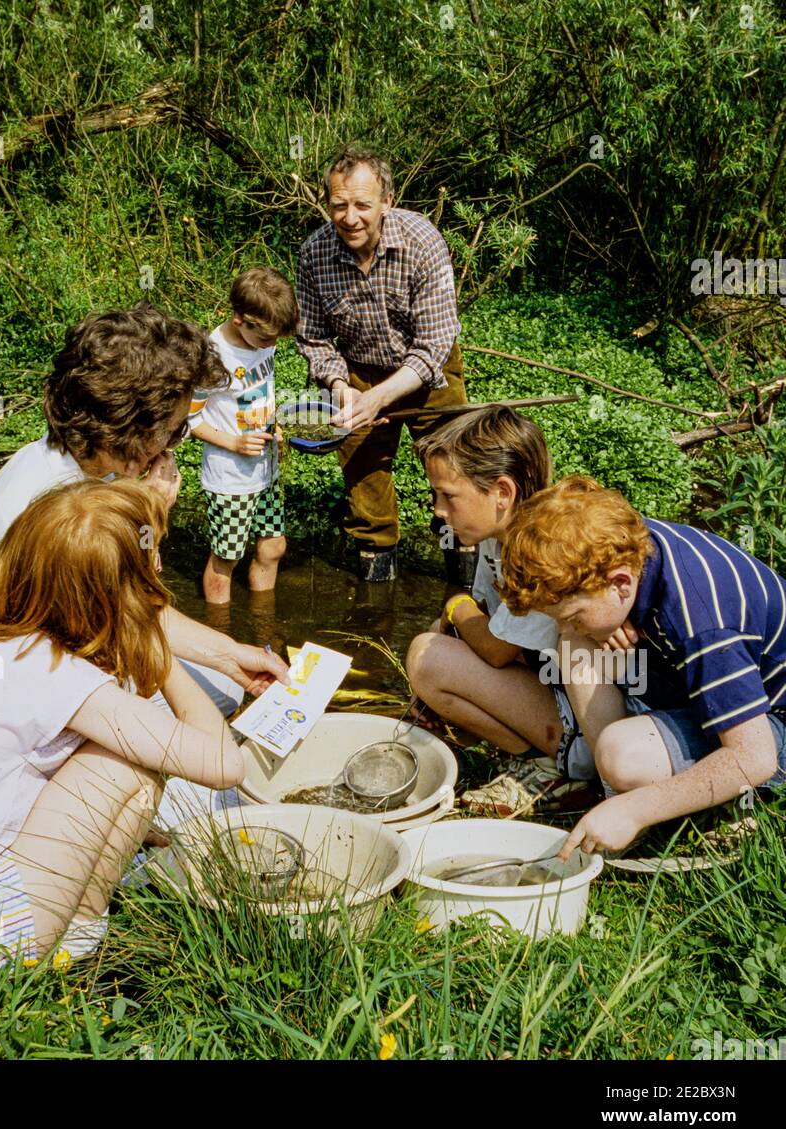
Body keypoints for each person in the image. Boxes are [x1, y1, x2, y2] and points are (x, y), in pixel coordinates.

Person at [0, 479, 246, 985]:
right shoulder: (59, 675)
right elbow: (225, 765)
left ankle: (64, 924)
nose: (161, 569)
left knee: (117, 746)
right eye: (151, 563)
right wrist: (153, 645)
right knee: (128, 765)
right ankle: (76, 948)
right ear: (114, 599)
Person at [0, 304, 290, 711]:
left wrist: (229, 652)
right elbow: (124, 616)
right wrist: (148, 517)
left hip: (78, 643)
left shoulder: (72, 462)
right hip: (28, 688)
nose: (176, 443)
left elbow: (132, 606)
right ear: (133, 428)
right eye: (175, 429)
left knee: (228, 680)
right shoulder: (61, 512)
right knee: (209, 719)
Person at [497, 476, 786, 860]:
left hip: (769, 726)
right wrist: (597, 623)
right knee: (575, 645)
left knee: (623, 752)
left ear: (620, 583)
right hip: (707, 693)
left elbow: (755, 756)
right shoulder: (625, 547)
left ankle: (667, 803)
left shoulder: (704, 623)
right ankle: (615, 789)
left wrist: (638, 810)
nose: (565, 625)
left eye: (573, 615)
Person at [406, 407, 611, 815]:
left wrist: (455, 604)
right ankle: (535, 753)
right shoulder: (496, 535)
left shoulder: (541, 549)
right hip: (555, 693)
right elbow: (485, 614)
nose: (438, 510)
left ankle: (557, 769)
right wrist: (457, 616)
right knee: (439, 636)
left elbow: (497, 649)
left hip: (592, 727)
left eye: (448, 495)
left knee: (428, 655)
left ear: (502, 492)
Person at [295, 146, 467, 582]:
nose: (350, 218)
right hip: (358, 367)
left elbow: (433, 346)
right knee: (364, 473)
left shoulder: (422, 240)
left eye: (362, 205)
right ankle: (377, 570)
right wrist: (339, 386)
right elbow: (314, 338)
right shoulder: (313, 254)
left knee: (452, 469)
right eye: (338, 205)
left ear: (386, 201)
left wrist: (382, 398)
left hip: (430, 372)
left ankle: (462, 569)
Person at [189, 267, 298, 604]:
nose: (271, 345)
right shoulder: (214, 358)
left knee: (274, 546)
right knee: (228, 558)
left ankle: (262, 624)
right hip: (230, 478)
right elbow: (189, 420)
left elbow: (258, 391)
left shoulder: (263, 341)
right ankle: (219, 634)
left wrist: (272, 426)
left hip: (265, 470)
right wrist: (234, 442)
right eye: (266, 338)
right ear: (240, 319)